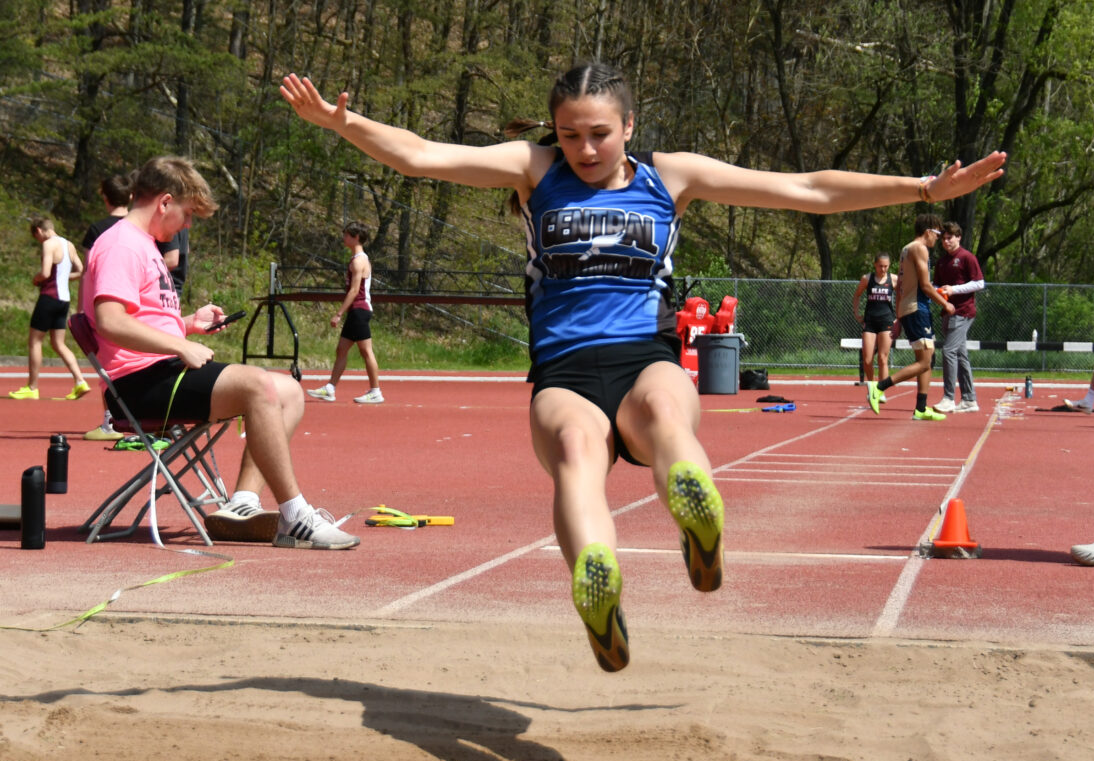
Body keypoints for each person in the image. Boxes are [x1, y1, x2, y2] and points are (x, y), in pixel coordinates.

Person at [280, 63, 1006, 670]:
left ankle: (681, 514)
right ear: (552, 132)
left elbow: (806, 188)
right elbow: (420, 153)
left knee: (629, 429)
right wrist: (344, 124)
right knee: (594, 445)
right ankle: (601, 576)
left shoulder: (669, 175)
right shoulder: (533, 169)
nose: (584, 149)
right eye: (569, 135)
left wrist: (921, 188)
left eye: (599, 133)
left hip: (633, 354)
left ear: (629, 126)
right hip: (567, 366)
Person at [82, 155, 360, 551]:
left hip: (160, 370)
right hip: (138, 385)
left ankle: (242, 503)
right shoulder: (122, 244)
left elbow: (142, 318)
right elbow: (110, 321)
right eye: (188, 213)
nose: (188, 225)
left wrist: (189, 323)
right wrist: (180, 345)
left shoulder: (142, 245)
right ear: (164, 202)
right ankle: (295, 516)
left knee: (290, 391)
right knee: (257, 386)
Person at [866, 215, 957, 421]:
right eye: (938, 234)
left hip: (910, 309)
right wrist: (945, 303)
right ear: (928, 232)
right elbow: (924, 286)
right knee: (926, 361)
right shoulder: (920, 249)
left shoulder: (906, 249)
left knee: (925, 360)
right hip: (918, 308)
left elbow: (901, 287)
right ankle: (879, 388)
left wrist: (898, 317)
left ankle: (921, 408)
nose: (938, 239)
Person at [8, 218, 92, 401]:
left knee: (35, 341)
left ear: (39, 231)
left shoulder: (48, 245)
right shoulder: (69, 245)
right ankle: (80, 381)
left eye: (37, 237)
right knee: (58, 344)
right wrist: (63, 277)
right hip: (64, 300)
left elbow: (45, 273)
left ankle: (32, 387)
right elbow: (81, 270)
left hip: (49, 297)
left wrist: (36, 280)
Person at [81, 172, 135, 440]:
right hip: (135, 302)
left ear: (105, 198)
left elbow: (88, 271)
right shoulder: (140, 229)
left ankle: (111, 420)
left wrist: (84, 306)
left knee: (109, 362)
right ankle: (133, 417)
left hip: (107, 300)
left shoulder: (98, 230)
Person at [306, 221, 384, 404]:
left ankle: (375, 391)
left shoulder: (359, 261)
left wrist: (339, 313)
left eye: (347, 234)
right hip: (357, 311)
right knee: (341, 349)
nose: (344, 238)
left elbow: (354, 291)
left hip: (359, 310)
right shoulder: (357, 259)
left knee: (366, 351)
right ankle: (330, 389)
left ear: (356, 237)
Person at [932, 221, 984, 413]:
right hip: (948, 312)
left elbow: (979, 283)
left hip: (964, 311)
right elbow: (935, 285)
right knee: (961, 355)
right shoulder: (941, 262)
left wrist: (954, 290)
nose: (946, 242)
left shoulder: (967, 257)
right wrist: (939, 292)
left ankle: (949, 397)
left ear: (958, 237)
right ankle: (970, 399)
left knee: (948, 351)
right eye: (943, 239)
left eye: (950, 238)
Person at [851, 252, 897, 387]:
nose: (883, 269)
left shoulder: (893, 279)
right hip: (870, 321)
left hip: (887, 321)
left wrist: (898, 317)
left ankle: (881, 389)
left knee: (883, 358)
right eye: (880, 266)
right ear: (875, 265)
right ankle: (872, 386)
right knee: (867, 359)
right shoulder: (867, 278)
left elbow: (903, 296)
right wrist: (856, 312)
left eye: (886, 266)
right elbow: (857, 295)